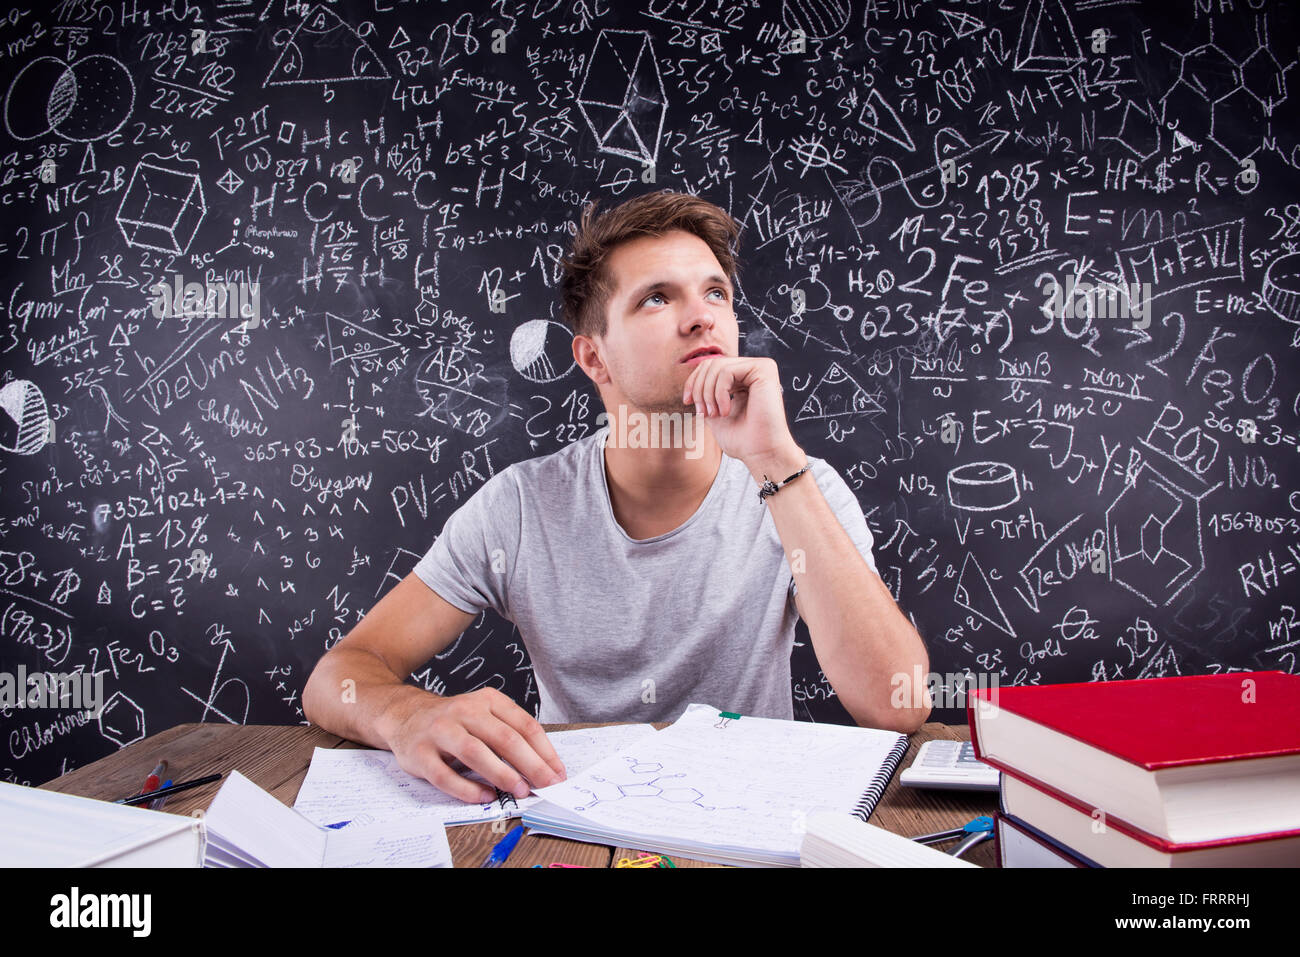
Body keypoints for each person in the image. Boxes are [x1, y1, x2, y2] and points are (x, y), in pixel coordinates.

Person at [303, 189, 931, 804]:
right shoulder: (521, 508)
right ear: (593, 357)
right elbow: (338, 677)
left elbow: (896, 703)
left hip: (747, 820)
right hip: (567, 819)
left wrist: (773, 462)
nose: (701, 316)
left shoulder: (799, 488)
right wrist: (407, 716)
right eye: (657, 299)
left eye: (716, 293)